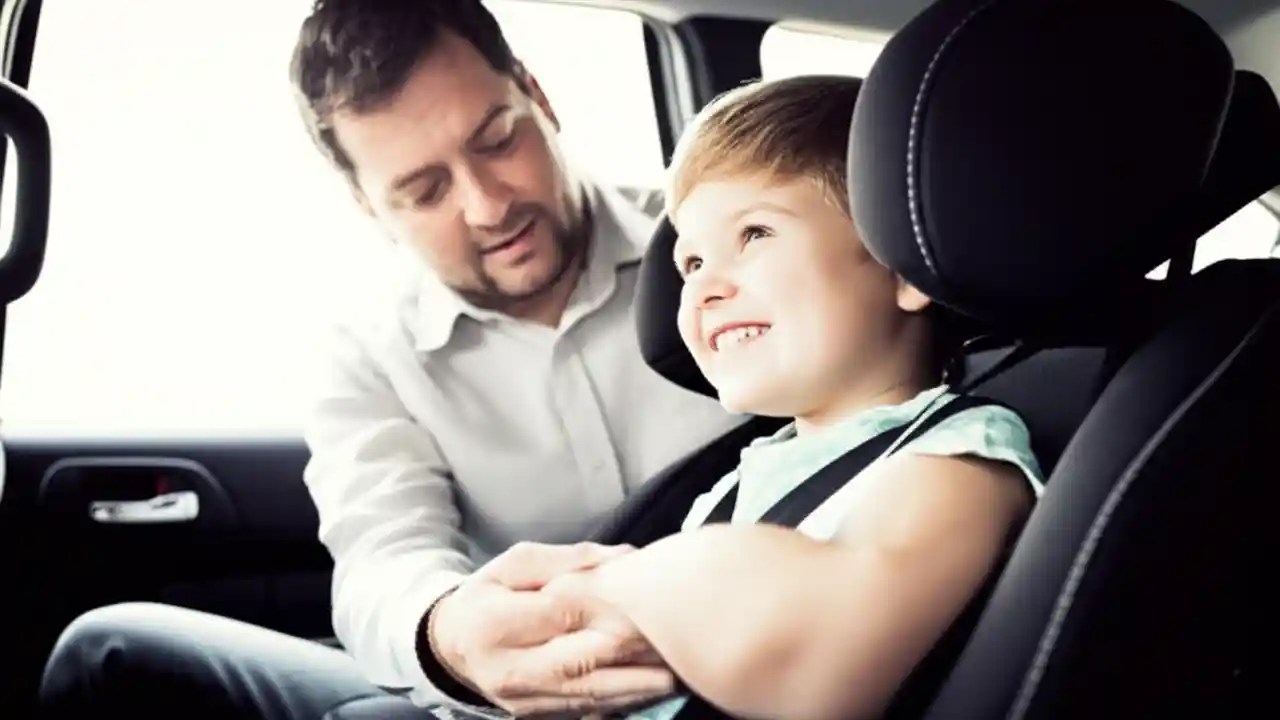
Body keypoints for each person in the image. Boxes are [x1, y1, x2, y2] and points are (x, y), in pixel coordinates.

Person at [34, 1, 741, 718]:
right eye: (425, 190)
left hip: (758, 664)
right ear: (367, 204)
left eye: (497, 140)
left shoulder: (721, 242)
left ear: (539, 97)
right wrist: (451, 637)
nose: (487, 205)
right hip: (509, 707)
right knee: (108, 652)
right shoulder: (370, 355)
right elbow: (384, 558)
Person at [462, 74, 1046, 720]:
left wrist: (613, 581)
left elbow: (825, 653)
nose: (704, 288)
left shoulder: (961, 459)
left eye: (754, 236)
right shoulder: (740, 478)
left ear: (900, 267)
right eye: (691, 263)